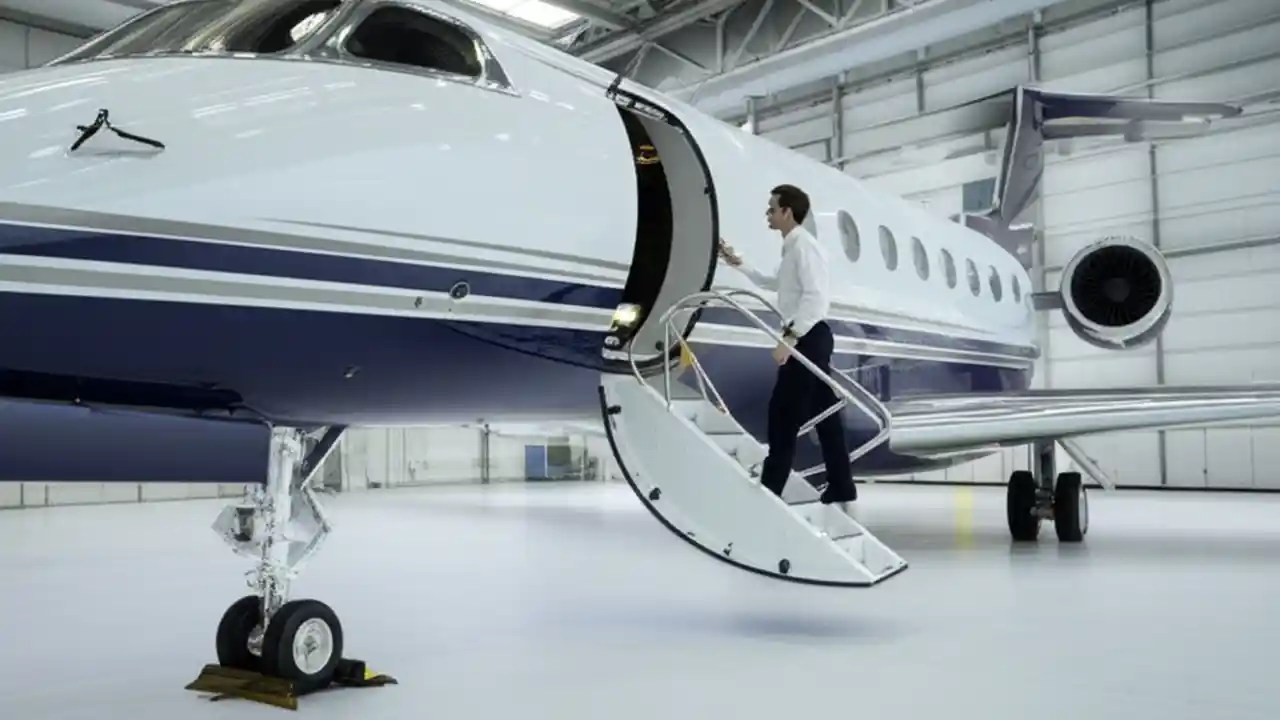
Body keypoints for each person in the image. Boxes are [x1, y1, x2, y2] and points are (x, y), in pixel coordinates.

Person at [718, 184, 858, 505]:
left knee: (782, 414)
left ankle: (770, 491)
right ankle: (841, 483)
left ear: (787, 212)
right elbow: (773, 282)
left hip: (808, 337)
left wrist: (790, 339)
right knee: (825, 413)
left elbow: (815, 298)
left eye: (771, 208)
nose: (767, 214)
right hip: (811, 336)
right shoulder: (792, 249)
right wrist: (735, 261)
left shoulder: (804, 248)